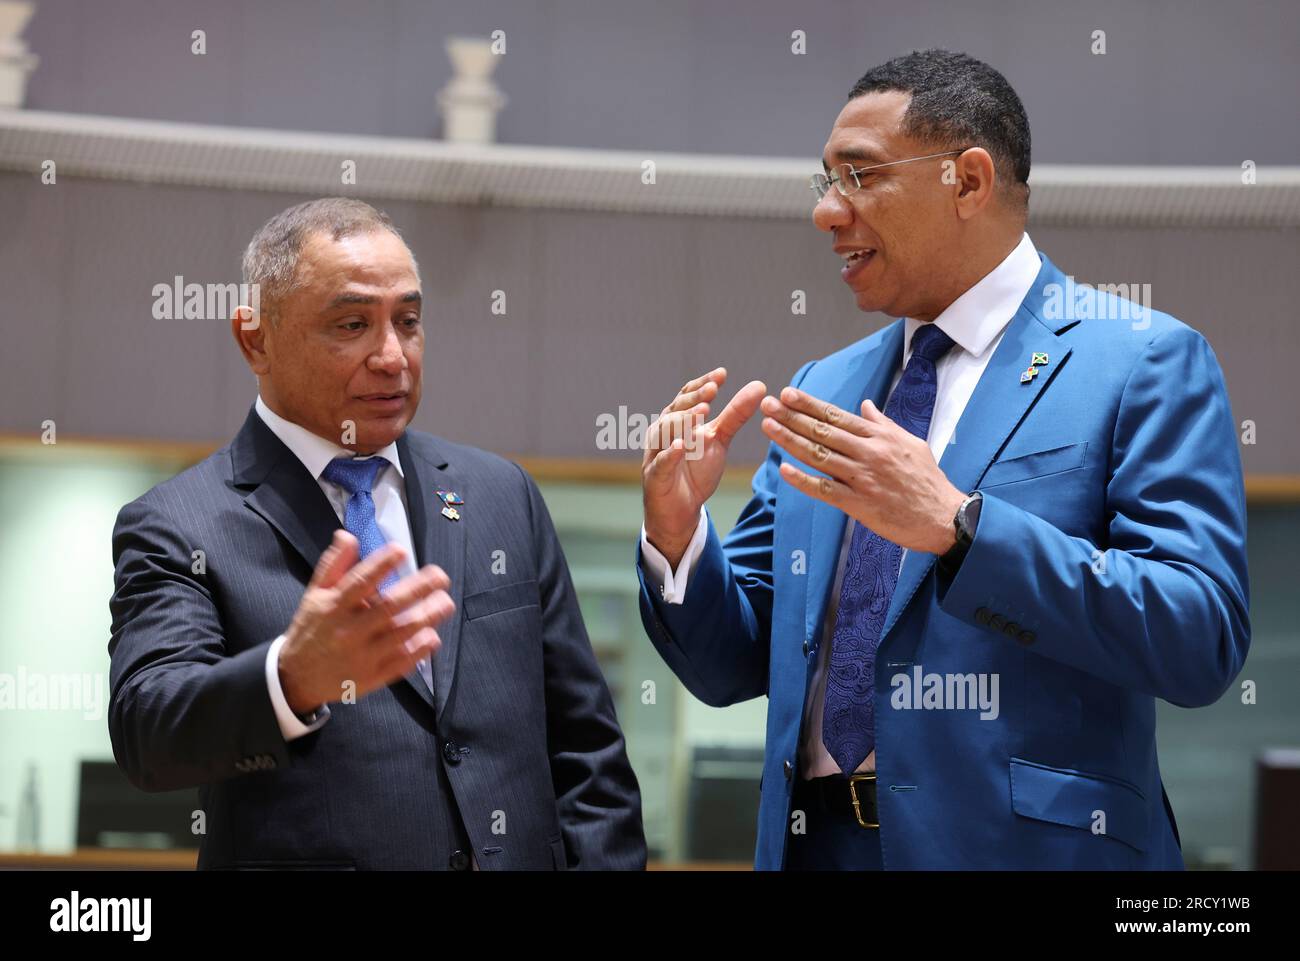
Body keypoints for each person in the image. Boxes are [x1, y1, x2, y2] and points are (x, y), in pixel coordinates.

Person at [637, 50, 1249, 870]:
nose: (826, 212)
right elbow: (731, 662)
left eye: (859, 176)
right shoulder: (829, 384)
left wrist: (961, 530)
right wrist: (678, 540)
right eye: (823, 181)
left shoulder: (1143, 361)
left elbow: (1198, 632)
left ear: (967, 181)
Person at [109, 197, 645, 870]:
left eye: (409, 321)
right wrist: (290, 679)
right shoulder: (180, 522)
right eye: (353, 324)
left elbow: (587, 753)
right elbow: (147, 732)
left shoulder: (498, 494)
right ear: (255, 339)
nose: (392, 356)